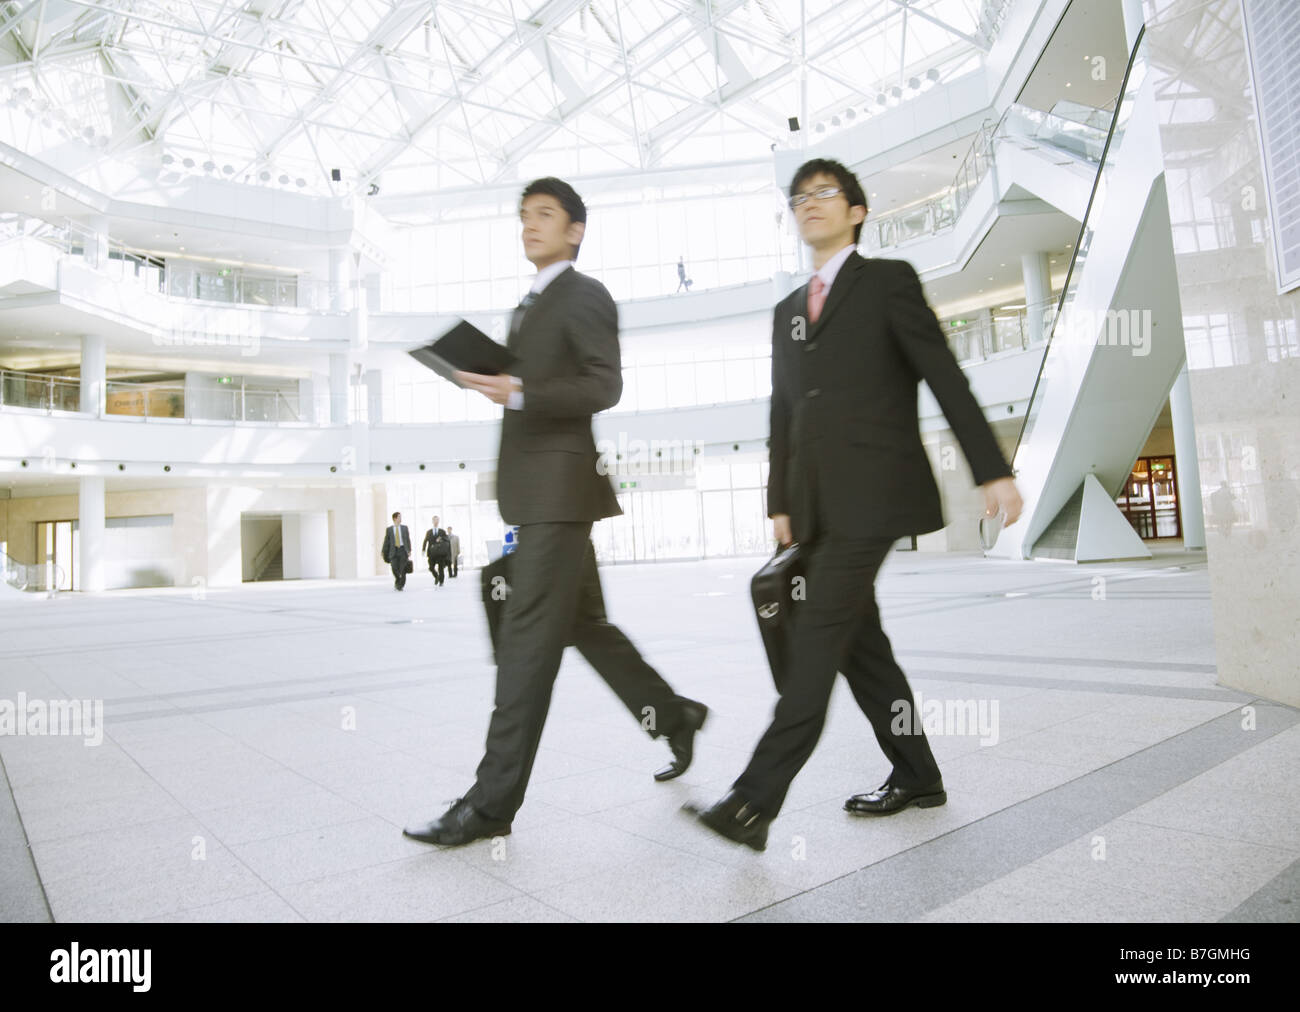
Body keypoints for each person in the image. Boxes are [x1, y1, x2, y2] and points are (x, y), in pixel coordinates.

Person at [691, 158, 1024, 851]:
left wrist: (990, 470)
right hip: (814, 508)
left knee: (815, 641)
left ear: (857, 211)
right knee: (862, 651)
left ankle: (754, 802)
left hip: (874, 495)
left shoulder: (888, 283)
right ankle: (918, 773)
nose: (808, 203)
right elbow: (783, 410)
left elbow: (944, 373)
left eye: (824, 193)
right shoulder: (788, 310)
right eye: (798, 197)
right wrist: (779, 500)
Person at [403, 177, 709, 847]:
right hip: (543, 494)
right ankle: (674, 716)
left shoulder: (584, 293)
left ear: (574, 230)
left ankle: (489, 806)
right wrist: (505, 386)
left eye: (544, 215)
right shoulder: (528, 305)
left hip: (558, 497)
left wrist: (520, 391)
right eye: (523, 217)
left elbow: (605, 384)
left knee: (525, 649)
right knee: (586, 626)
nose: (528, 226)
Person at [380, 512, 412, 591]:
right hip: (393, 551)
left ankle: (400, 585)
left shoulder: (404, 528)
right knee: (394, 567)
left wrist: (409, 550)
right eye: (399, 517)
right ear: (395, 518)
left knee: (402, 568)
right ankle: (398, 580)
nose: (400, 518)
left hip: (402, 550)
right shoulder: (389, 529)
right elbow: (386, 541)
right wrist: (383, 551)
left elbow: (408, 540)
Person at [422, 515, 450, 586]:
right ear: (432, 521)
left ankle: (441, 581)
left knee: (441, 568)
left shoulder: (442, 531)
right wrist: (423, 550)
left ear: (439, 521)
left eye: (437, 520)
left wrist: (441, 539)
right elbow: (425, 541)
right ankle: (436, 576)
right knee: (431, 567)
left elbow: (447, 540)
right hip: (431, 553)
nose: (436, 521)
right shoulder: (429, 532)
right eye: (434, 520)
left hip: (440, 552)